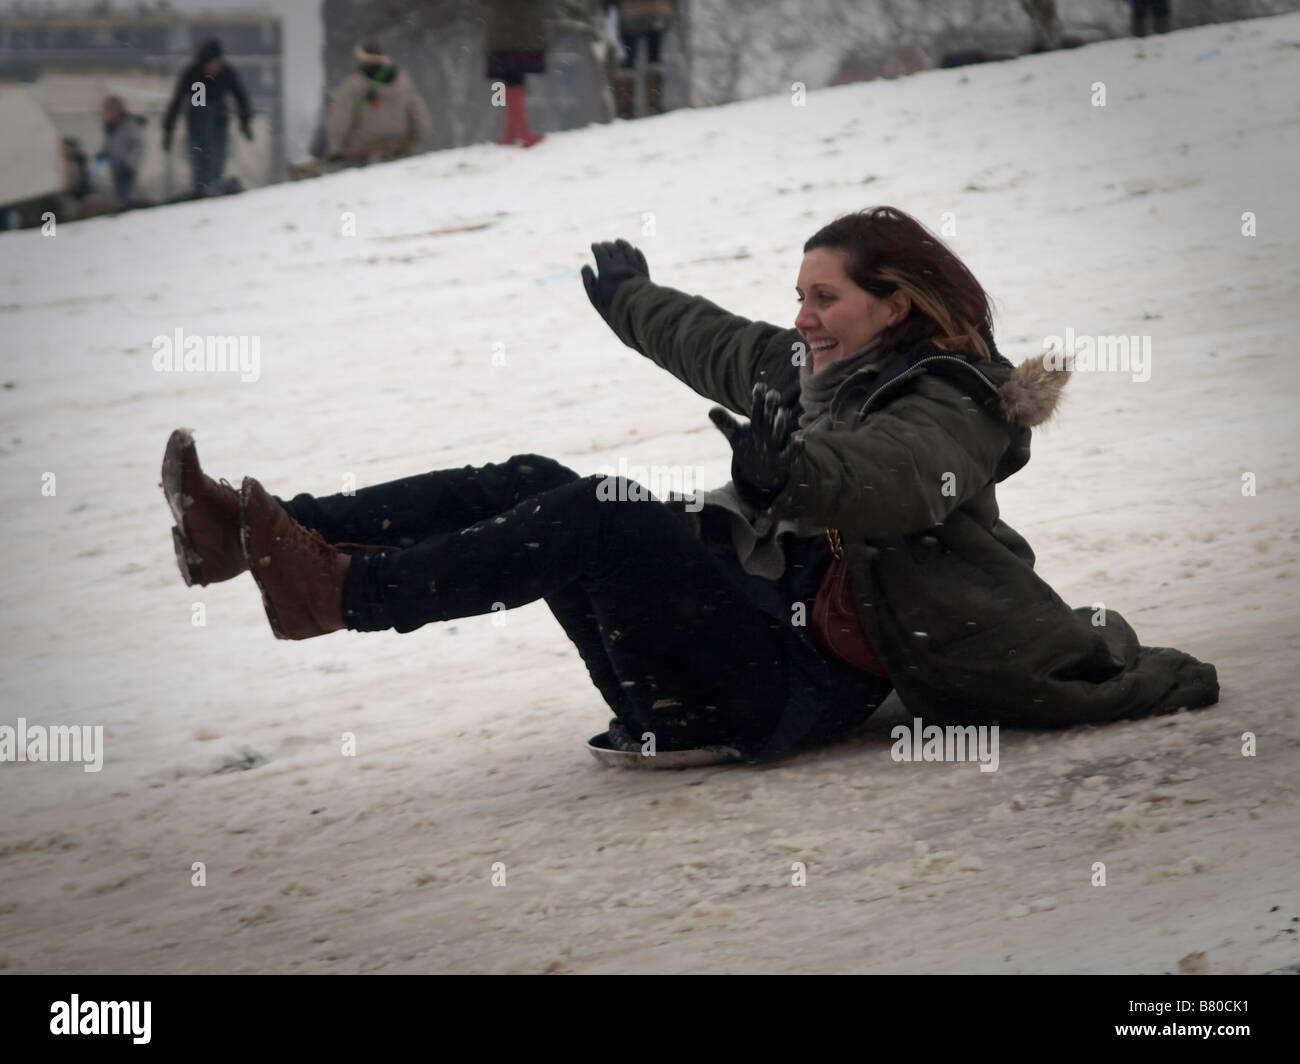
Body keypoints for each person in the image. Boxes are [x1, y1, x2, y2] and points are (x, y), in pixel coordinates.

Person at [160, 207, 1219, 763]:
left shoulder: (950, 406)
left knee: (592, 511)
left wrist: (791, 472)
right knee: (533, 478)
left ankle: (340, 595)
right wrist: (630, 298)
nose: (802, 314)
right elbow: (714, 341)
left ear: (892, 307)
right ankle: (261, 533)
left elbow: (893, 482)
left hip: (778, 688)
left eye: (824, 296)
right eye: (797, 293)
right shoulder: (815, 370)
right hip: (724, 650)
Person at [162, 38, 253, 198]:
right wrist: (168, 129)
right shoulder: (193, 74)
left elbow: (241, 97)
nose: (214, 68)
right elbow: (177, 101)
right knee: (199, 157)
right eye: (211, 64)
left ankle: (213, 185)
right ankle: (201, 188)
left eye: (216, 64)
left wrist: (245, 122)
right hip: (197, 122)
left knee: (217, 156)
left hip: (219, 120)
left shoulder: (226, 73)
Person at [324, 41, 433, 166]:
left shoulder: (353, 85)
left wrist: (335, 149)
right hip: (398, 147)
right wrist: (416, 139)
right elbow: (420, 114)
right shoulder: (403, 81)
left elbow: (340, 119)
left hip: (362, 154)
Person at [485, 0, 548, 147]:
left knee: (512, 79)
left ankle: (511, 132)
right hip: (515, 32)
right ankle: (522, 132)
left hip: (509, 30)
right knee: (514, 79)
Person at [610, 1, 677, 118]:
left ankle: (625, 108)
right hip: (656, 12)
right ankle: (653, 105)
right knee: (653, 59)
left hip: (629, 14)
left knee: (628, 62)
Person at [95, 95, 144, 208]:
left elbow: (137, 146)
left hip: (127, 168)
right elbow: (109, 144)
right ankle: (120, 207)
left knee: (125, 192)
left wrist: (130, 162)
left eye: (107, 112)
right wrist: (103, 153)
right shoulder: (111, 129)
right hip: (116, 167)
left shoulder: (129, 127)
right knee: (117, 192)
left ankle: (125, 208)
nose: (105, 115)